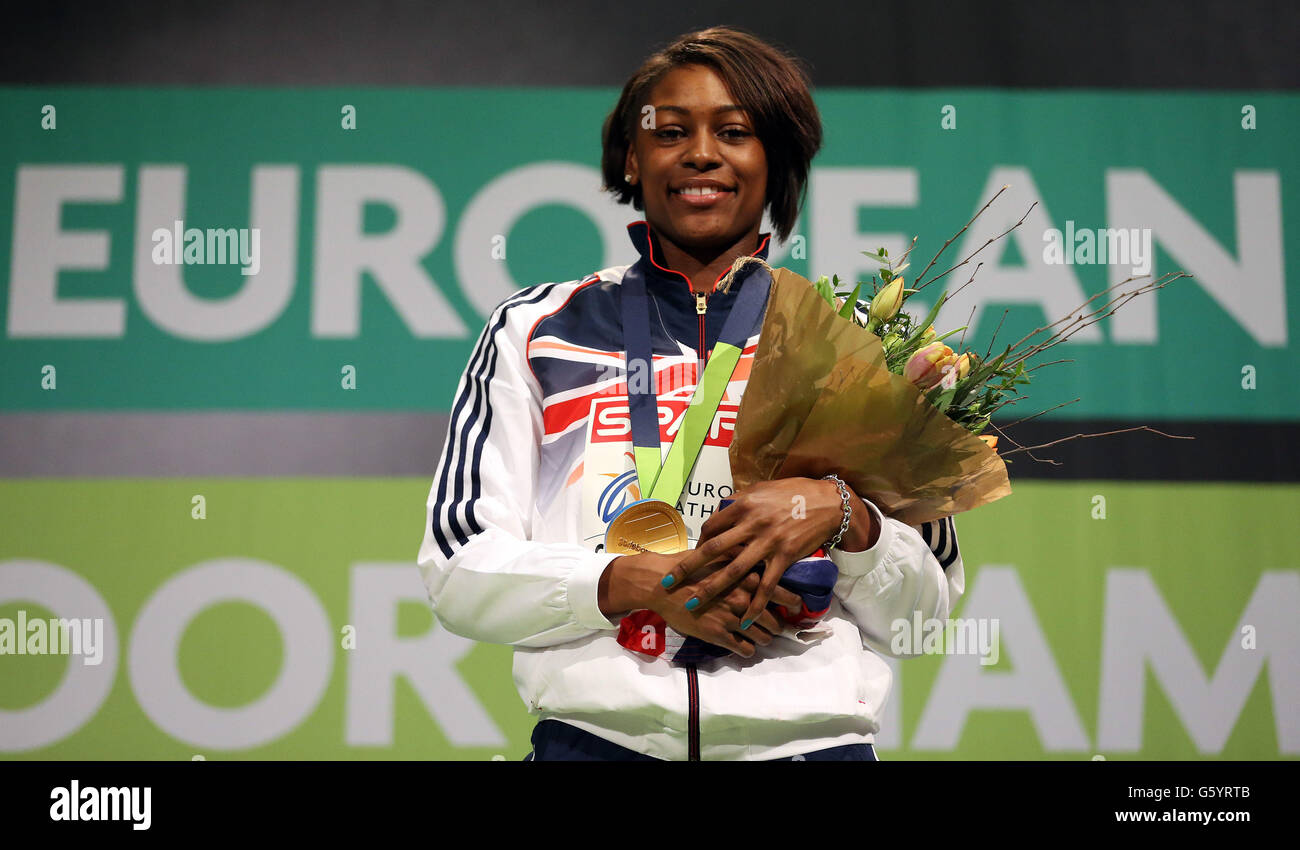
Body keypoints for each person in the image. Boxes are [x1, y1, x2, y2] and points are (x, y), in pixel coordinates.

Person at [418, 25, 964, 761]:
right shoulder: (538, 331)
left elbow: (923, 615)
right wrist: (630, 581)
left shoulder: (855, 345)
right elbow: (459, 569)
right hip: (597, 746)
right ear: (632, 161)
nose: (701, 153)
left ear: (775, 161)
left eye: (735, 132)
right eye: (670, 131)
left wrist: (842, 516)